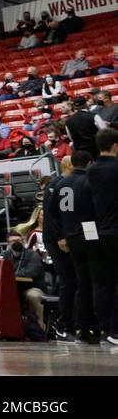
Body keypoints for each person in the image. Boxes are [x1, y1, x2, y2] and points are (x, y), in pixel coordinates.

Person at [88, 128, 118, 345]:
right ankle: (115, 330)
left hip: (95, 234)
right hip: (116, 231)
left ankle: (103, 329)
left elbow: (84, 206)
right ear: (115, 146)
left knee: (101, 283)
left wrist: (91, 235)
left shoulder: (88, 171)